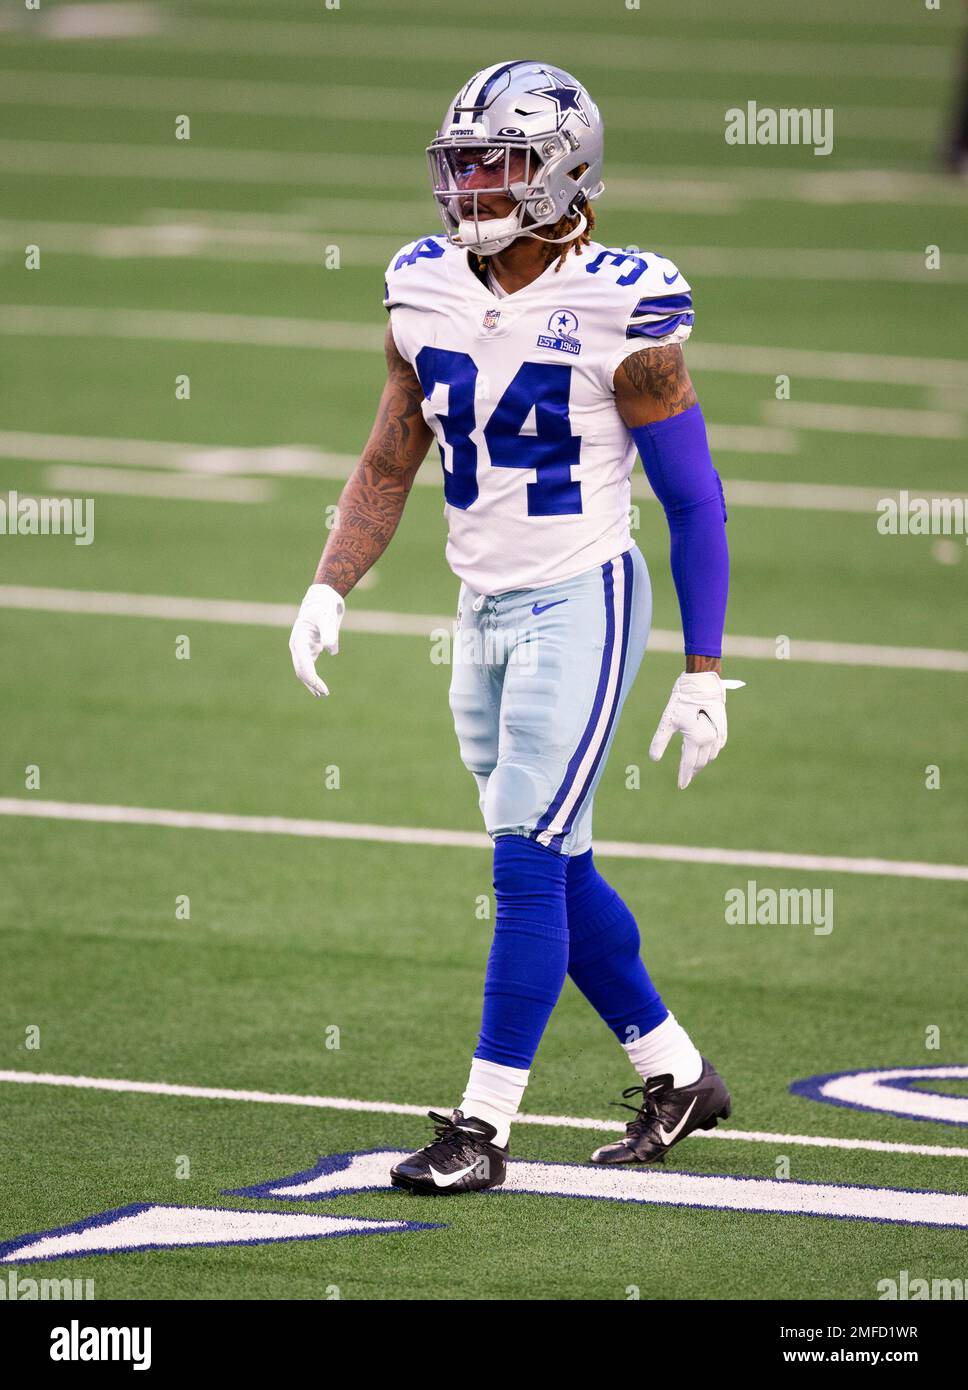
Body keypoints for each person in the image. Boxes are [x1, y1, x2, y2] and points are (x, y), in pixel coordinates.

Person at [289, 61, 741, 1195]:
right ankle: (677, 1072)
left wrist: (701, 670)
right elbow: (395, 450)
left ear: (563, 171)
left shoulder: (623, 302)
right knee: (556, 853)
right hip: (480, 607)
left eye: (497, 164)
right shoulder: (421, 283)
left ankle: (480, 1130)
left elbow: (691, 499)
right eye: (460, 164)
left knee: (524, 861)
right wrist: (330, 581)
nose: (470, 188)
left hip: (580, 595)